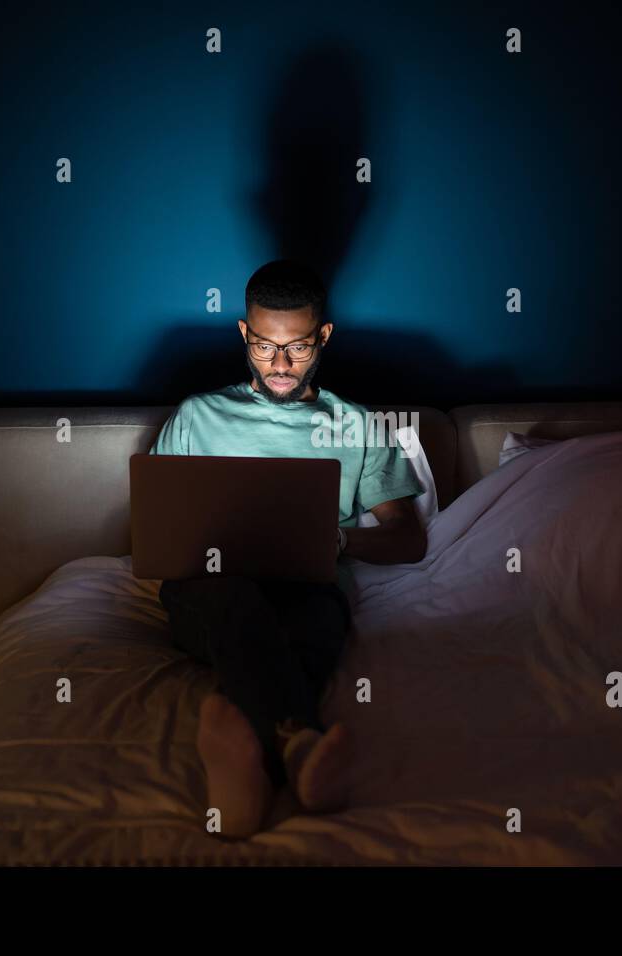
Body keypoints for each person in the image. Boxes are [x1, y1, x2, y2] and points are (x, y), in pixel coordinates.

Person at [149, 259, 427, 838]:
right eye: (264, 347)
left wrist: (341, 539)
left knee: (314, 620)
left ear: (323, 336)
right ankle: (299, 744)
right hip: (212, 589)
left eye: (297, 349)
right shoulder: (197, 416)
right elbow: (156, 523)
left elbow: (408, 539)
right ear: (244, 334)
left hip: (309, 585)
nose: (279, 365)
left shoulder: (354, 424)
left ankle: (251, 750)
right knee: (235, 601)